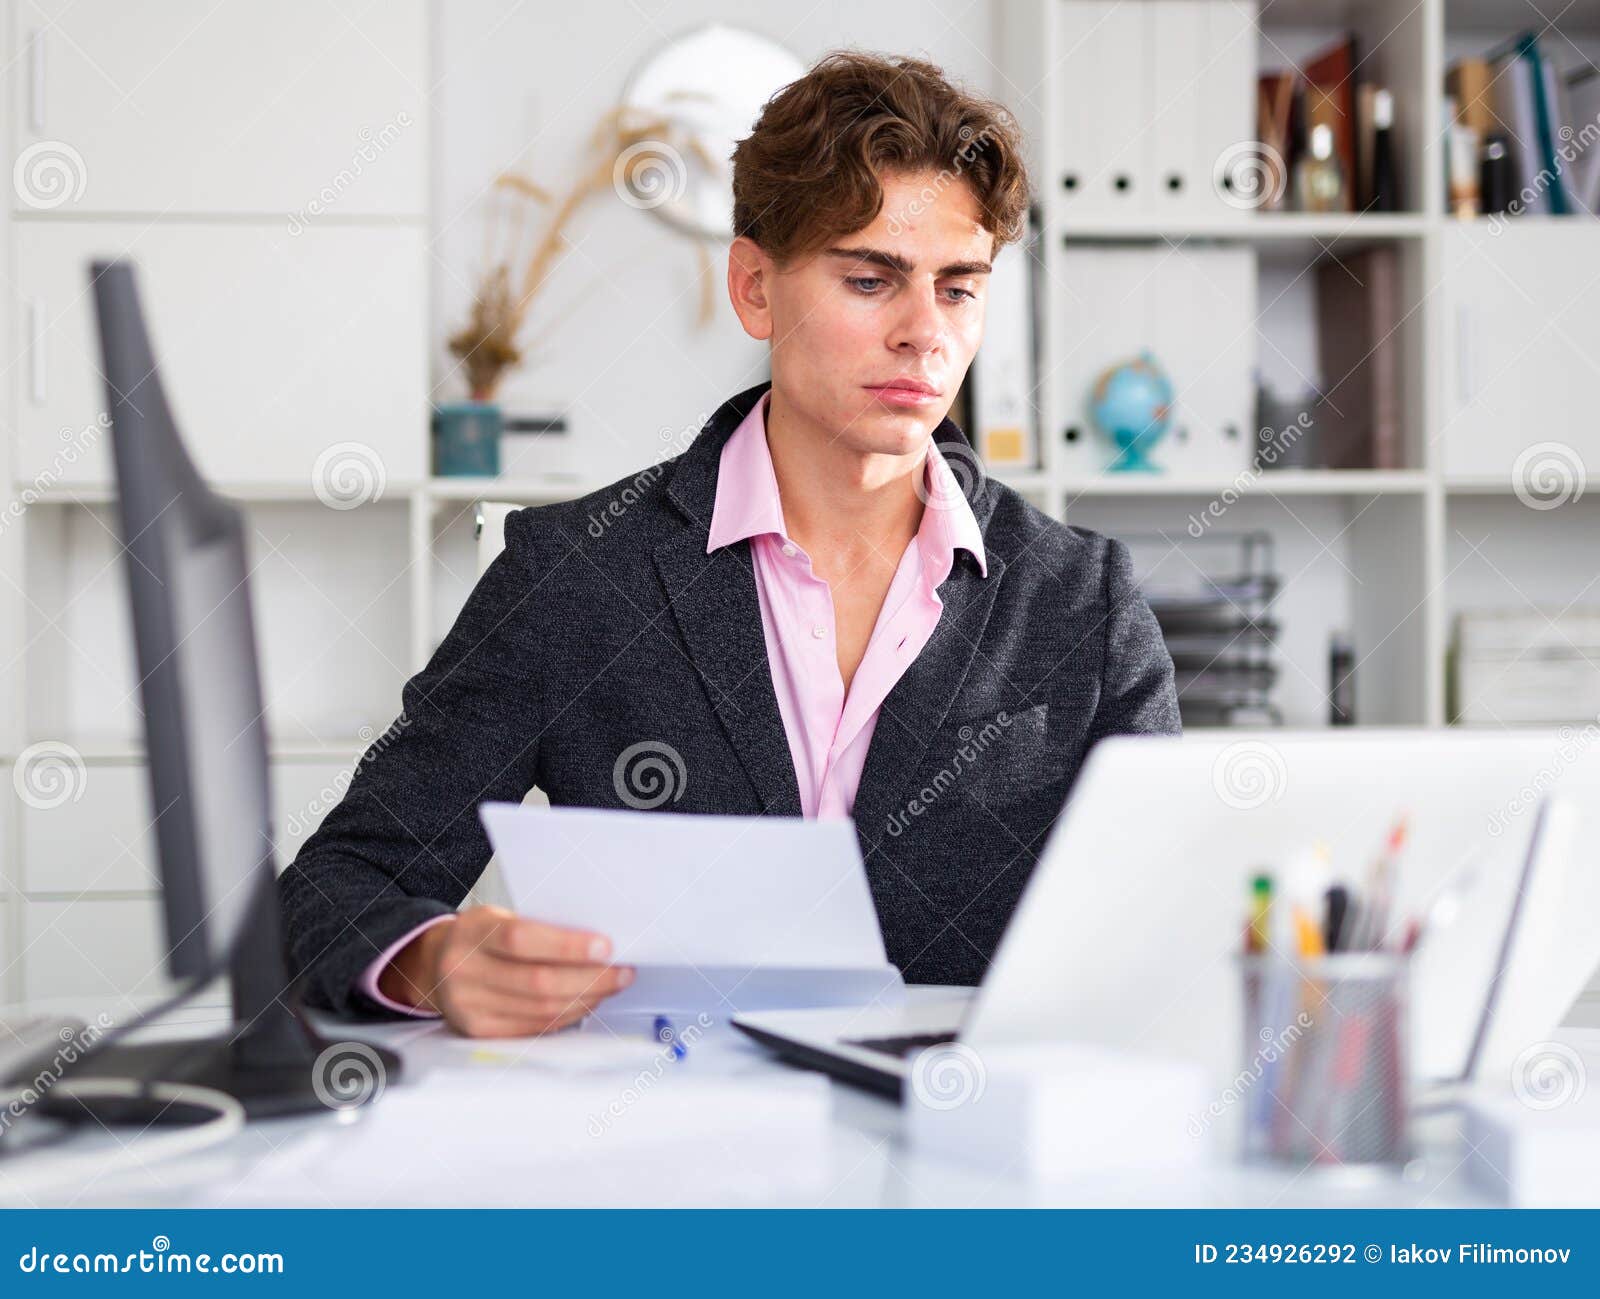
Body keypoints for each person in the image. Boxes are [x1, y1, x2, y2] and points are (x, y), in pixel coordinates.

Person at [279, 50, 1179, 1037]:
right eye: (872, 278)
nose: (925, 332)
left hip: (963, 1163)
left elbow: (1169, 924)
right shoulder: (578, 574)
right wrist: (431, 960)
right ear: (754, 289)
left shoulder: (1079, 601)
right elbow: (335, 884)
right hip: (666, 1157)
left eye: (958, 288)